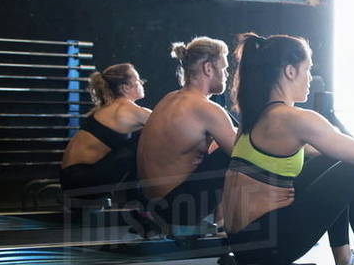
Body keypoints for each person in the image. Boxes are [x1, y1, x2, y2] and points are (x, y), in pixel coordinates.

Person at [219, 34, 354, 265]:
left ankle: (345, 262)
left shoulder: (258, 116)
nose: (310, 79)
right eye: (307, 70)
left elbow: (332, 152)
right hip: (268, 244)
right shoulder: (293, 118)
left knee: (337, 160)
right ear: (289, 71)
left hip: (245, 242)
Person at [138, 36, 237, 229]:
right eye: (224, 68)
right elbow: (245, 154)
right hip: (179, 208)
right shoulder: (205, 108)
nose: (227, 74)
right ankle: (231, 224)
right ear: (208, 68)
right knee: (245, 157)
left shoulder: (169, 98)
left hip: (151, 202)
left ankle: (223, 221)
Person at [60, 63, 150, 201]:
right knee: (141, 142)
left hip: (71, 180)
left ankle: (137, 201)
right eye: (138, 81)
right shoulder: (125, 108)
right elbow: (163, 124)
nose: (142, 84)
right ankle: (140, 203)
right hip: (81, 182)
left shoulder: (111, 107)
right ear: (125, 87)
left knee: (141, 137)